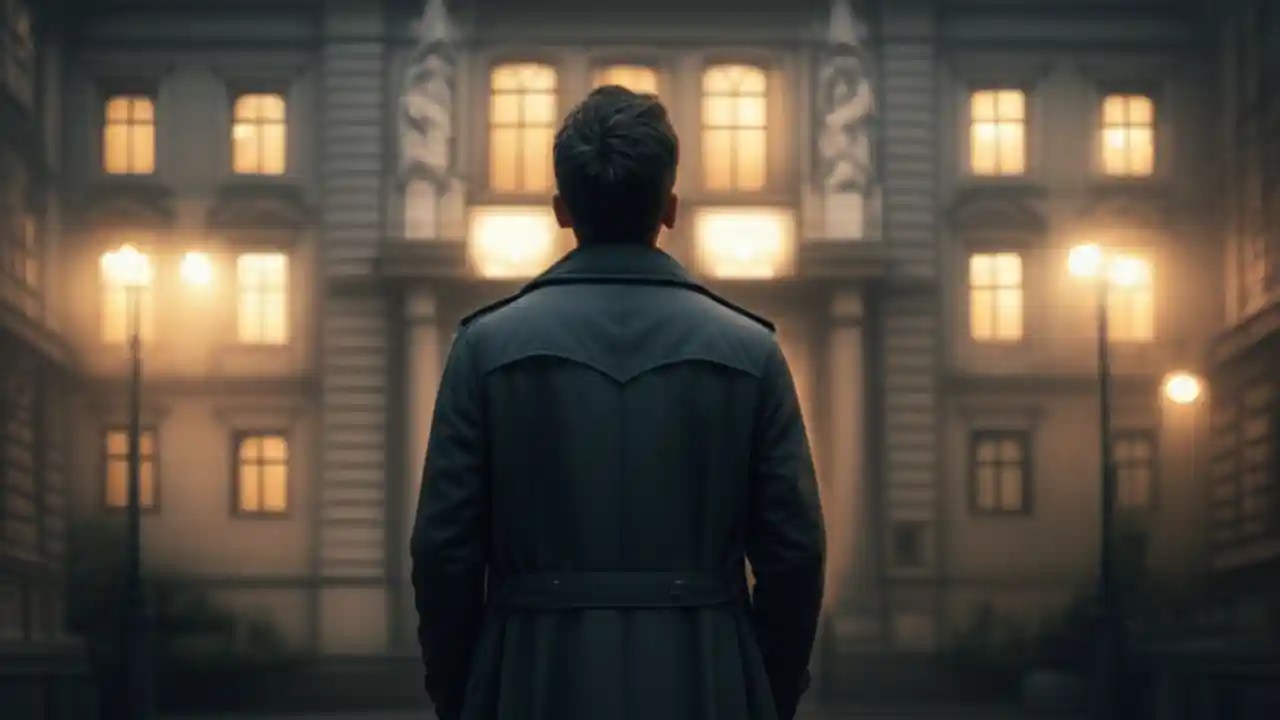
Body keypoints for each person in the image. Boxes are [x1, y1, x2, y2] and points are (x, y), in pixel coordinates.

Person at [411, 85, 826, 720]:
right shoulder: (752, 352)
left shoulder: (484, 347)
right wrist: (759, 685)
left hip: (531, 675)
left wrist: (466, 690)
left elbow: (444, 552)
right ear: (670, 207)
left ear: (561, 209)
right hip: (707, 675)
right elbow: (793, 555)